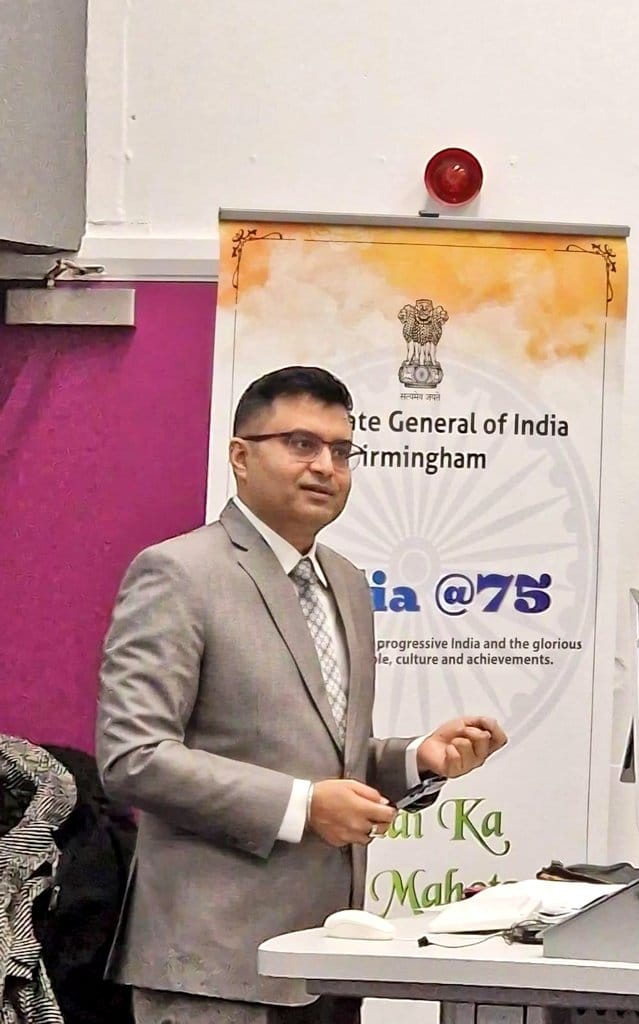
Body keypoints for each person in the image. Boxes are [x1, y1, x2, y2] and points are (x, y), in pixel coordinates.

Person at [96, 365, 507, 1024]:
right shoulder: (178, 573)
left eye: (342, 451)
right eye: (301, 444)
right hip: (216, 966)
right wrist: (304, 806)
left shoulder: (347, 582)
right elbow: (133, 757)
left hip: (330, 957)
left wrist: (415, 761)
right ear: (241, 456)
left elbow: (320, 756)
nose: (325, 467)